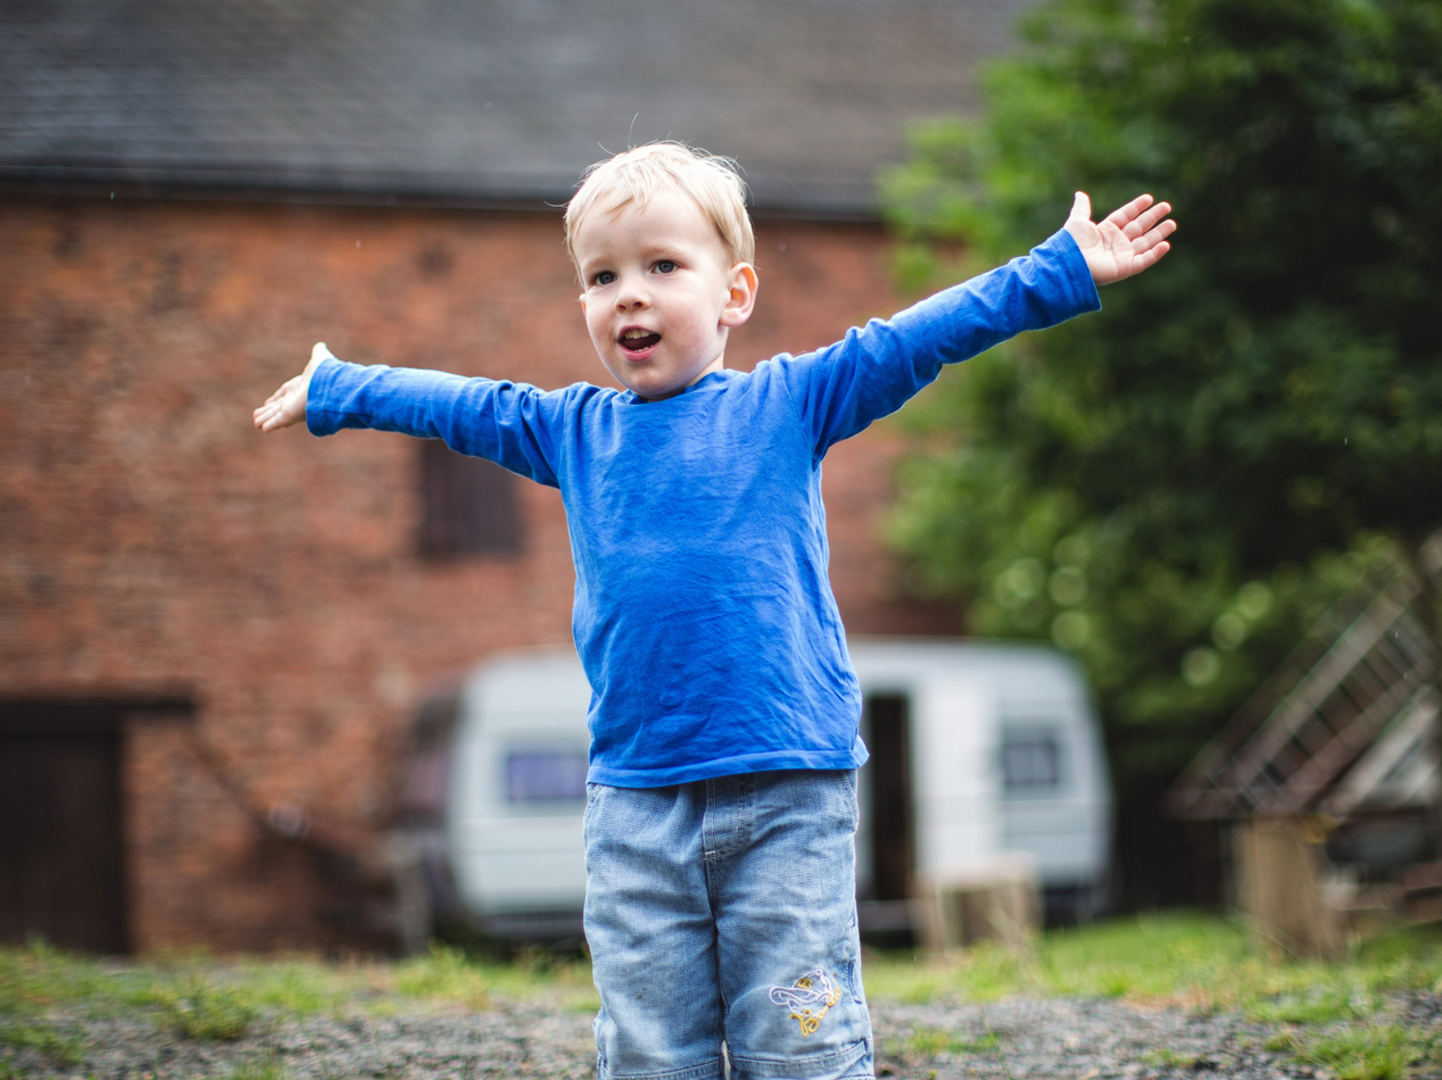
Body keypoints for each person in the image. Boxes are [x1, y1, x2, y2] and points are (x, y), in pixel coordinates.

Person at [253, 141, 1173, 1080]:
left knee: (798, 1040)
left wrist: (1054, 271)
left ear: (733, 294)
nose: (629, 295)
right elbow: (461, 406)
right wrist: (339, 389)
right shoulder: (573, 430)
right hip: (637, 803)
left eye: (662, 266)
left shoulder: (791, 401)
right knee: (651, 1048)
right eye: (602, 276)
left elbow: (917, 338)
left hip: (786, 788)